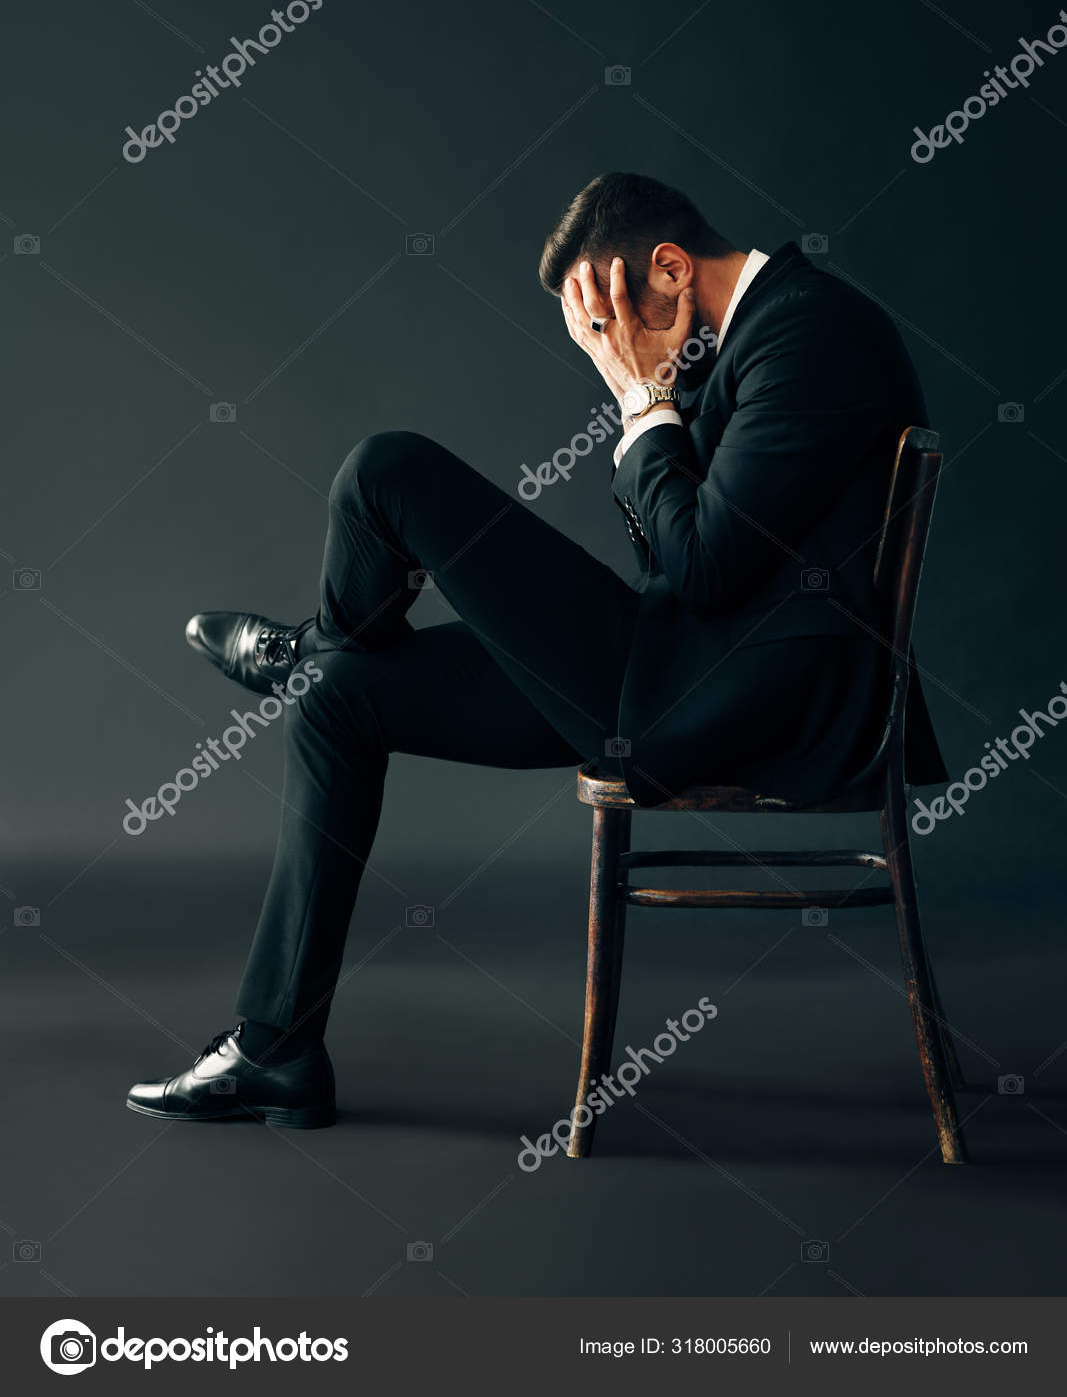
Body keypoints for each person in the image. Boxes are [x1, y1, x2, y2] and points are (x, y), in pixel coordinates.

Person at [126, 171, 945, 1128]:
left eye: (603, 321)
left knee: (388, 469)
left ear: (669, 268)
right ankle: (276, 1050)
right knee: (337, 698)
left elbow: (704, 572)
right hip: (675, 665)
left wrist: (641, 400)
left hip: (727, 702)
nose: (605, 347)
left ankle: (306, 645)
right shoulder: (756, 339)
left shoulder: (810, 336)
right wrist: (655, 402)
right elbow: (680, 564)